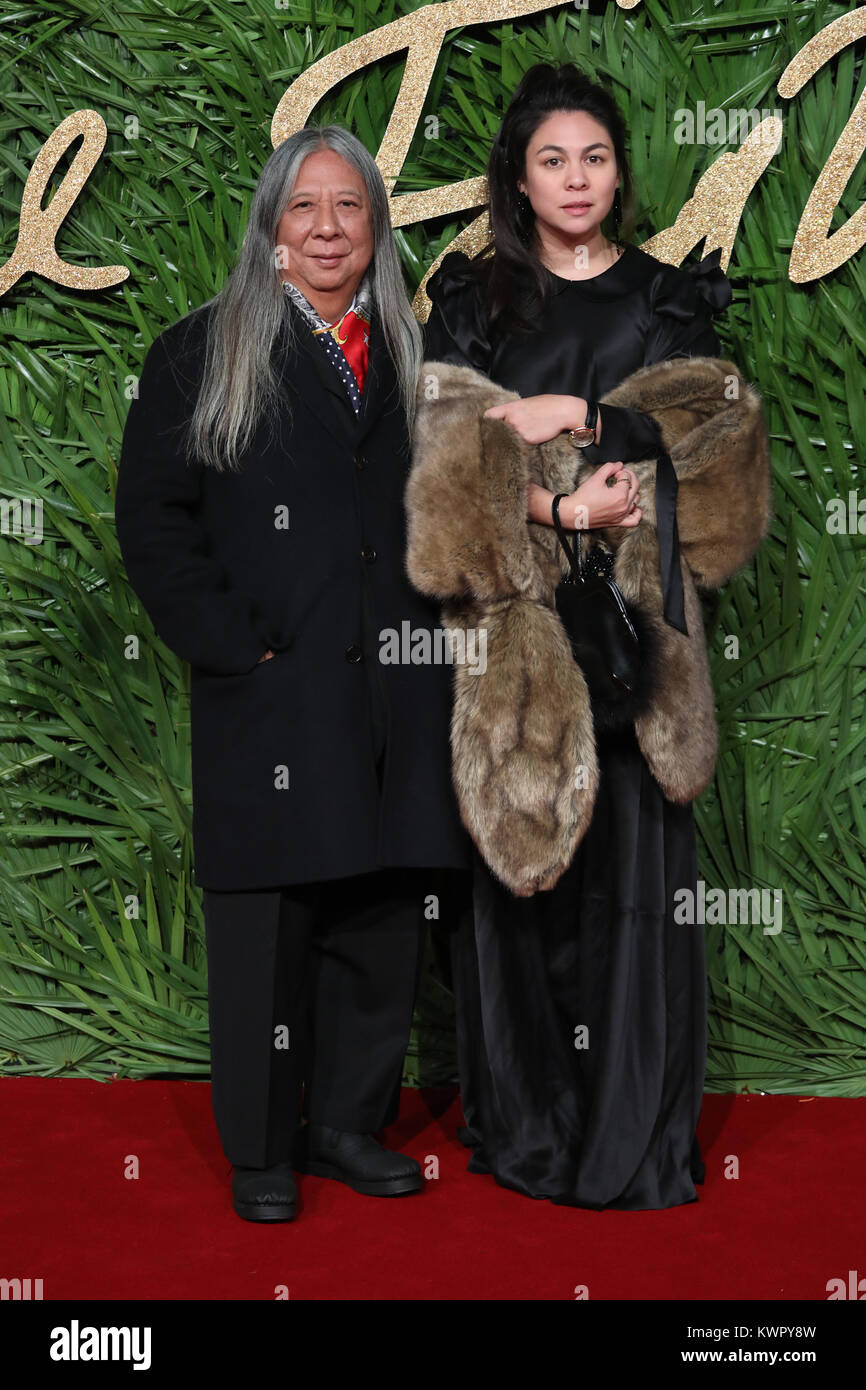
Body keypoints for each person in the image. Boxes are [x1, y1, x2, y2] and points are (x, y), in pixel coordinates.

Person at [114, 125, 472, 1223]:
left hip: (398, 690)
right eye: (302, 208)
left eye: (348, 208)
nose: (325, 228)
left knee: (374, 912)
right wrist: (233, 645)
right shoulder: (199, 351)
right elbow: (152, 520)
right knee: (268, 928)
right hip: (272, 692)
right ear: (270, 231)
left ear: (376, 230)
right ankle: (263, 1148)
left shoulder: (418, 355)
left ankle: (344, 1127)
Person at [422, 63, 733, 1210]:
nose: (574, 178)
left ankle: (633, 1143)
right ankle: (532, 1131)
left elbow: (715, 446)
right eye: (550, 159)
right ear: (516, 175)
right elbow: (440, 473)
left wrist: (578, 417)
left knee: (635, 886)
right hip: (516, 637)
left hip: (641, 633)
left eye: (593, 157)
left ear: (618, 170)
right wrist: (562, 508)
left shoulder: (664, 299)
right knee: (525, 874)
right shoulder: (473, 306)